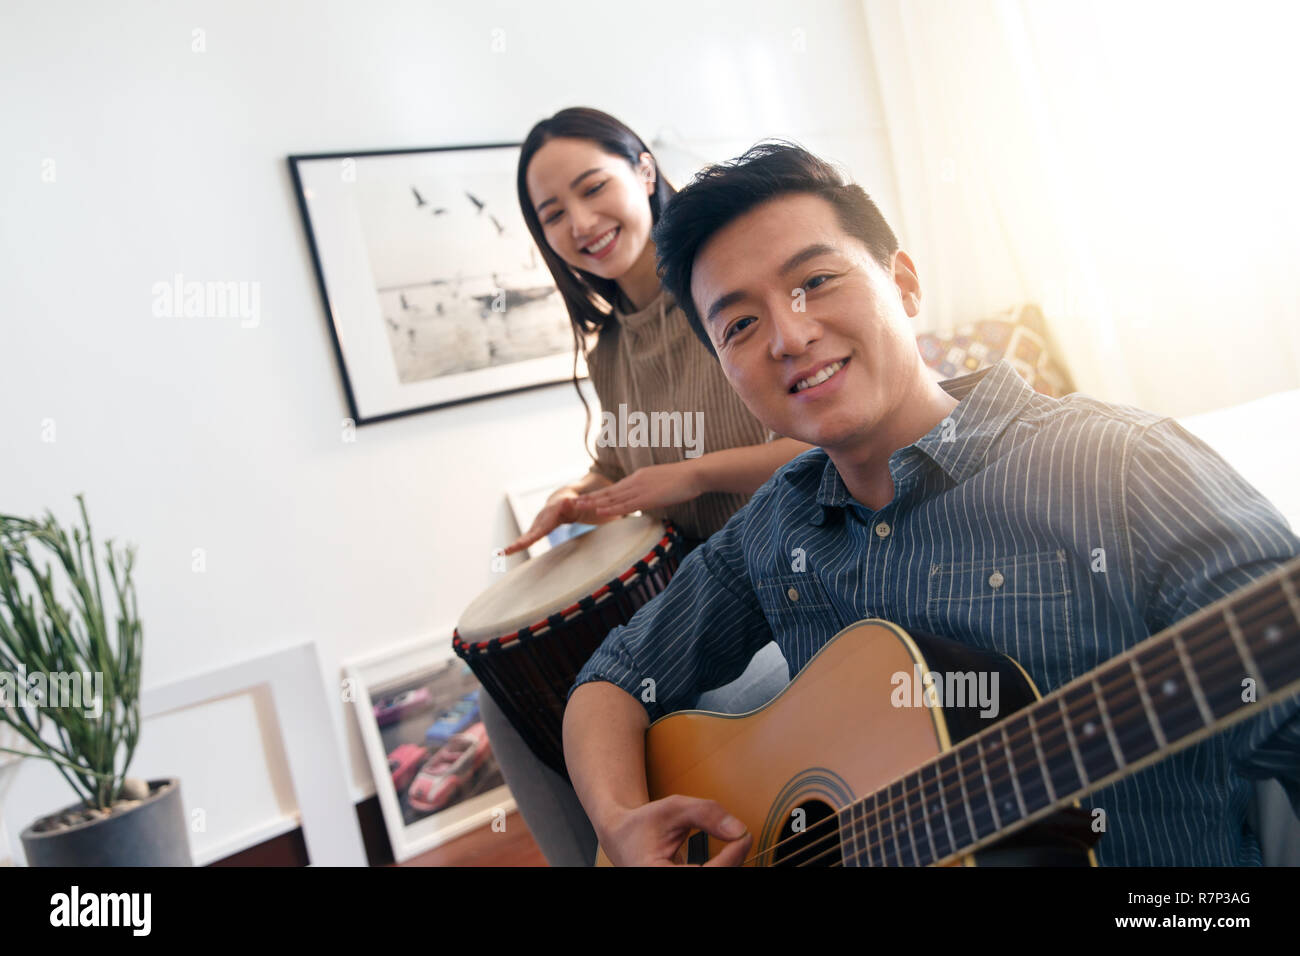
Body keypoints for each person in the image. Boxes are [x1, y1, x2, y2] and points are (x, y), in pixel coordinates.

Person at [563, 141, 1300, 866]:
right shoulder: (774, 525)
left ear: (905, 285)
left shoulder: (1123, 467)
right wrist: (623, 825)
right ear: (727, 371)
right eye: (740, 326)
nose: (789, 336)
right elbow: (612, 678)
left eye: (814, 280)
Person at [479, 109, 812, 866]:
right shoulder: (609, 351)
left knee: (703, 712)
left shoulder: (722, 294)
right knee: (506, 715)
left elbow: (812, 440)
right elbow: (624, 458)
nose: (581, 223)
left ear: (645, 172)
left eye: (593, 188)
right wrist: (582, 492)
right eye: (553, 214)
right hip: (696, 585)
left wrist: (693, 474)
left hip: (783, 565)